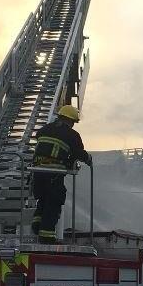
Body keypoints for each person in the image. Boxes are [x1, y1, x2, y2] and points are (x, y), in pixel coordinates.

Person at [30, 104, 92, 244]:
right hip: (54, 173)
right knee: (54, 202)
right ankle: (47, 237)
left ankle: (37, 224)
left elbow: (39, 136)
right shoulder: (72, 135)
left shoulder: (45, 129)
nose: (73, 125)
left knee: (43, 200)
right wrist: (88, 159)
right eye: (73, 122)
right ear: (70, 120)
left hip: (38, 172)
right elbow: (78, 153)